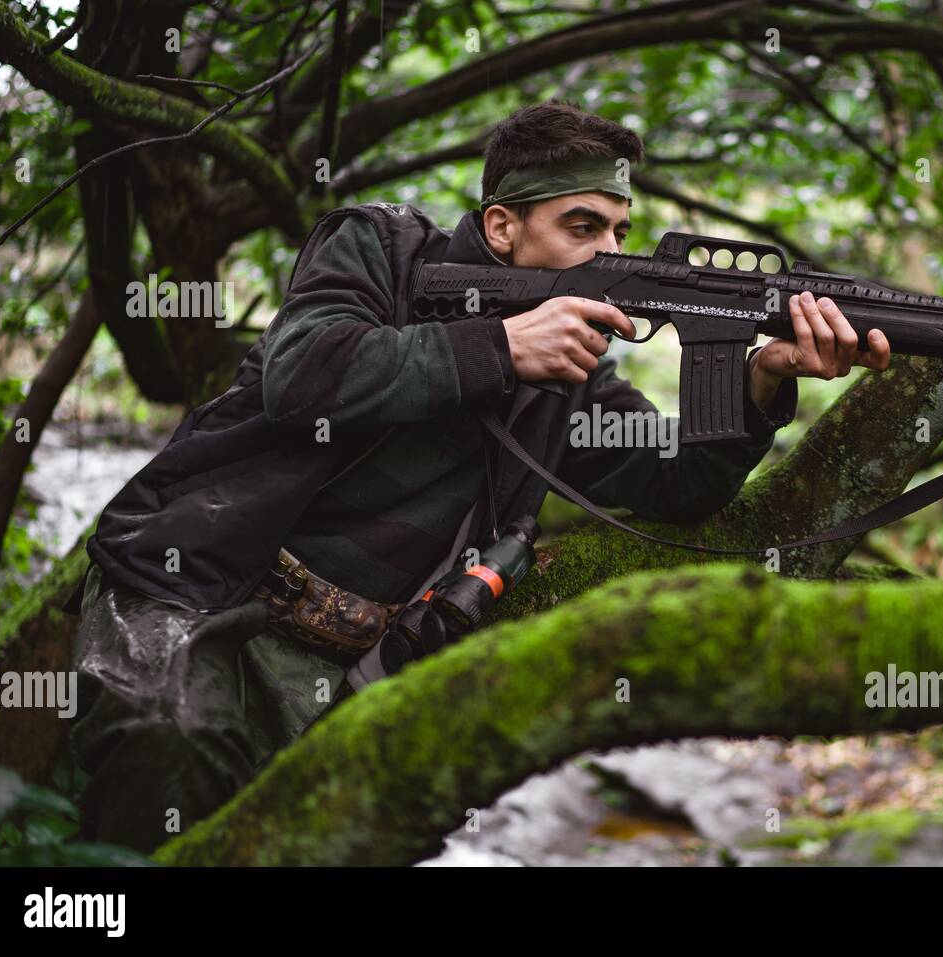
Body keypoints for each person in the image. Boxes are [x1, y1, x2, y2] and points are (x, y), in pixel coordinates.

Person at [67, 99, 891, 853]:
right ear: (502, 227)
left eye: (618, 228)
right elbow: (302, 374)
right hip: (199, 592)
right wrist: (500, 349)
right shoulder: (383, 249)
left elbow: (677, 481)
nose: (610, 251)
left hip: (349, 664)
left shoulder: (573, 377)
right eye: (582, 225)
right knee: (168, 759)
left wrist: (764, 381)